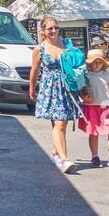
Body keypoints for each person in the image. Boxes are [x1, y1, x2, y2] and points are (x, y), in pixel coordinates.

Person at [29, 15, 78, 174]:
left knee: (60, 123)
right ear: (43, 31)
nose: (54, 31)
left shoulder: (66, 45)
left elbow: (77, 65)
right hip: (50, 87)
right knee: (60, 123)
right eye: (50, 28)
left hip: (66, 87)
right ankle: (64, 159)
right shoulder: (39, 49)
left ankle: (55, 153)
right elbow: (35, 71)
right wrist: (32, 88)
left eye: (56, 27)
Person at [78, 49, 109, 171]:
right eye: (94, 62)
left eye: (99, 62)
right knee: (94, 133)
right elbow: (81, 90)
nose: (97, 64)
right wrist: (83, 97)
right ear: (89, 63)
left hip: (107, 107)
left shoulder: (107, 75)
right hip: (91, 107)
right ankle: (95, 157)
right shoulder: (86, 75)